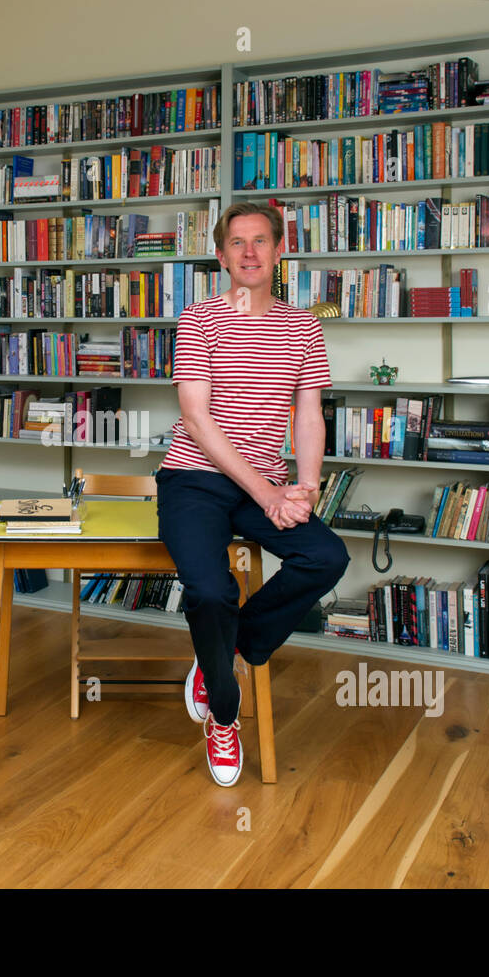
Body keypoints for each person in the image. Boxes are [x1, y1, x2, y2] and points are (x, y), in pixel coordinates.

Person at [156, 200, 350, 786]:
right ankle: (222, 712)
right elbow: (197, 420)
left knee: (326, 556)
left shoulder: (304, 326)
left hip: (261, 483)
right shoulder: (198, 319)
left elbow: (309, 416)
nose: (249, 252)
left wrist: (306, 487)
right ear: (221, 257)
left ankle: (228, 646)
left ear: (278, 251)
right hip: (194, 478)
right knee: (210, 591)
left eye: (260, 241)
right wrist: (268, 492)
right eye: (236, 243)